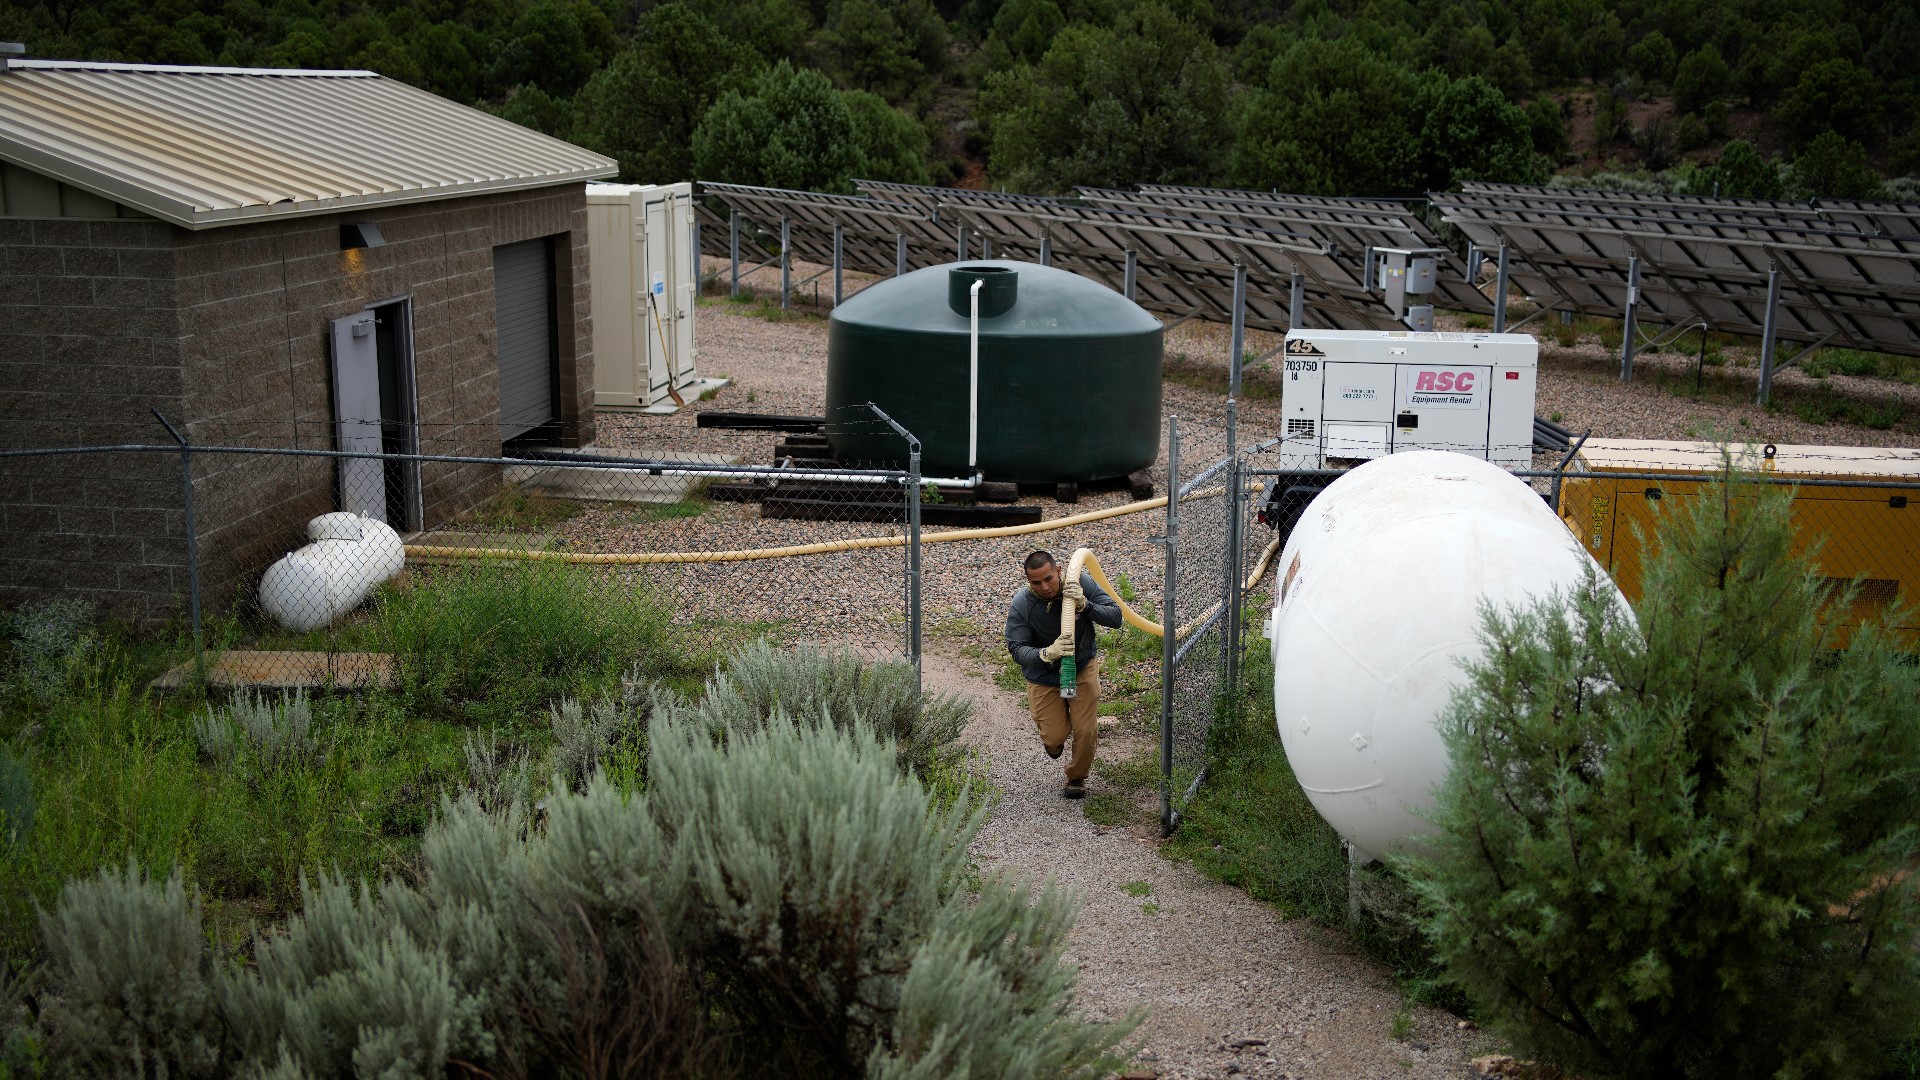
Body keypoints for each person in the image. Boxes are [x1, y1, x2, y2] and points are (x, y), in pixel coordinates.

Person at [1004, 548, 1122, 798]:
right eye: (1036, 582)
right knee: (1054, 736)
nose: (1045, 587)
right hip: (1044, 677)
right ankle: (1054, 743)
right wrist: (1046, 653)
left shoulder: (1079, 582)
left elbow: (1116, 617)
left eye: (1049, 578)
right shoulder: (1022, 604)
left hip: (1080, 667)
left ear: (1058, 571)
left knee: (1085, 730)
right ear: (1028, 582)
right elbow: (1016, 648)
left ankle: (1076, 777)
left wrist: (1085, 605)